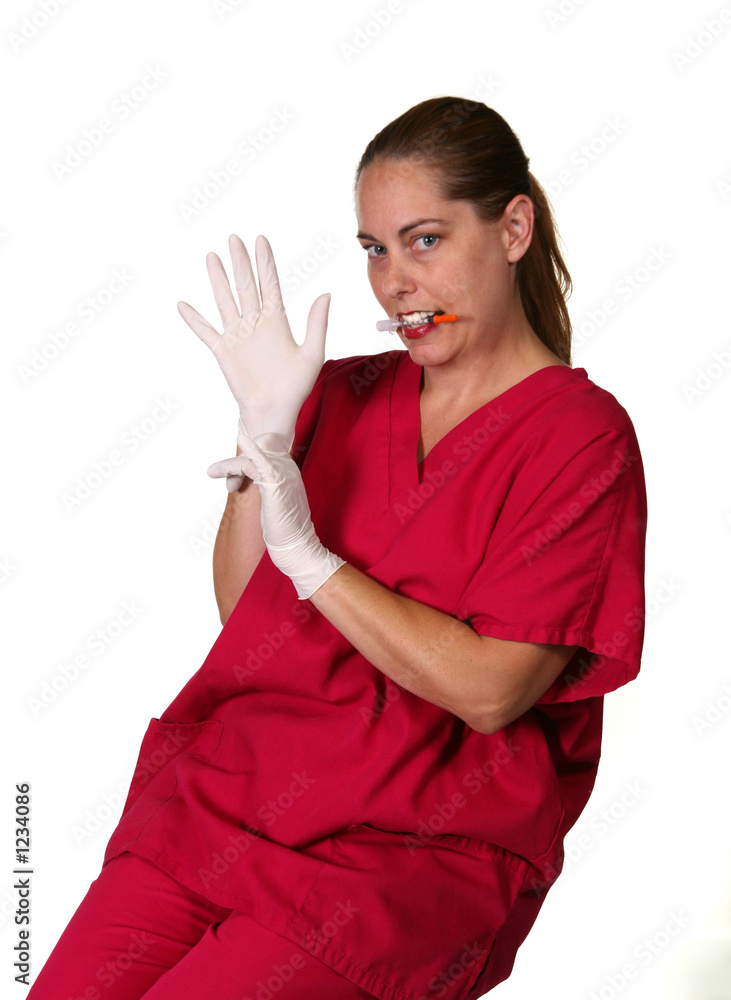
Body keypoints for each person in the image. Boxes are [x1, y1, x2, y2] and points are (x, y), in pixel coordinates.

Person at [28, 96, 647, 1000]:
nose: (394, 280)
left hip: (400, 853)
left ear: (512, 228)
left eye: (424, 239)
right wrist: (262, 450)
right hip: (231, 800)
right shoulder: (343, 392)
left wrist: (316, 562)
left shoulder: (578, 437)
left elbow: (490, 691)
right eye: (374, 249)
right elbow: (245, 615)